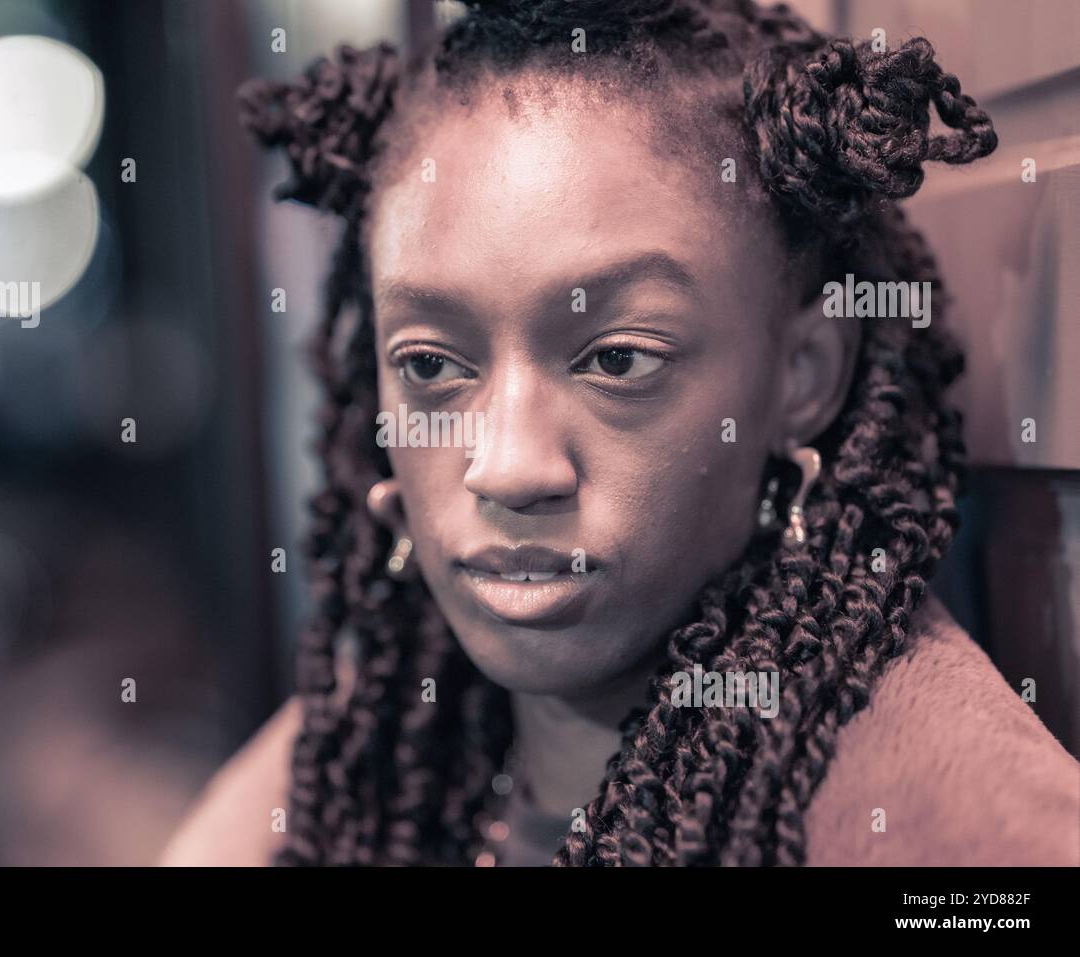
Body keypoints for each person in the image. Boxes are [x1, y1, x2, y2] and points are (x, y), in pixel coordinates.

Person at [162, 0, 1080, 866]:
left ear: (802, 377)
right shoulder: (342, 768)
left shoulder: (958, 831)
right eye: (433, 365)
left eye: (616, 360)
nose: (509, 468)